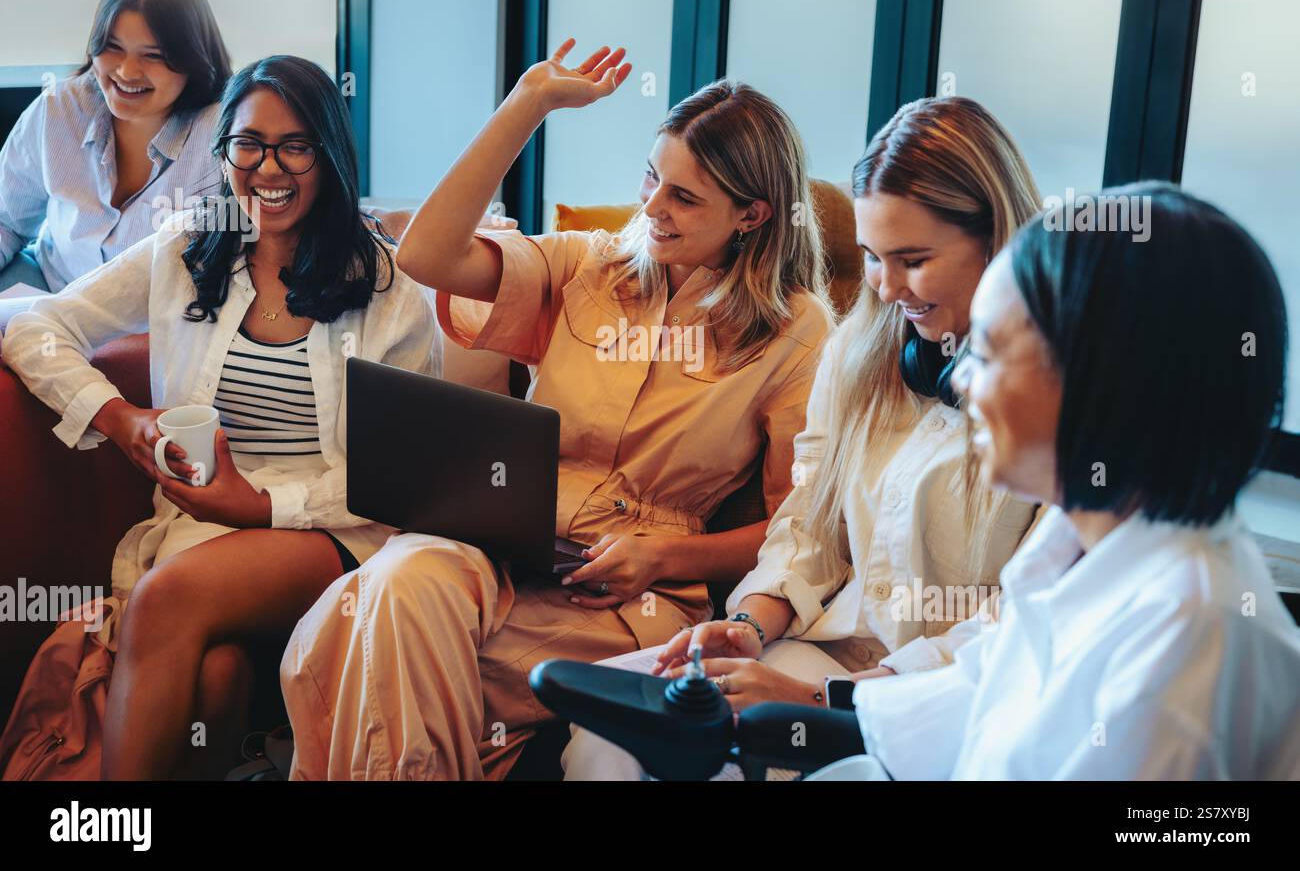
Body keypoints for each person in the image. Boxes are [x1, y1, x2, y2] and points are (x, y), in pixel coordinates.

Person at [280, 39, 835, 779]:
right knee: (397, 582)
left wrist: (666, 553)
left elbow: (800, 528)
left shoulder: (797, 333)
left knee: (371, 638)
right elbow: (425, 256)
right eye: (650, 177)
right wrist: (528, 103)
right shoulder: (592, 265)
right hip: (498, 544)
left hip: (629, 590)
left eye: (684, 197)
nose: (652, 207)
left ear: (753, 214)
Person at [563, 96, 1044, 779]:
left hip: (934, 700)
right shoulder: (860, 349)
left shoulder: (1061, 400)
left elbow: (1018, 626)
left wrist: (822, 700)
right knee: (610, 735)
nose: (886, 285)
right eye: (874, 257)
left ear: (998, 238)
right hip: (818, 652)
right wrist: (752, 624)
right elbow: (807, 526)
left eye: (913, 258)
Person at [0, 56, 438, 779]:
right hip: (200, 528)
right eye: (248, 144)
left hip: (337, 530)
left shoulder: (385, 291)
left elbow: (398, 476)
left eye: (295, 145)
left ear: (329, 155)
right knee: (219, 675)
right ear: (224, 153)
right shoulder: (187, 247)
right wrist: (123, 420)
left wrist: (262, 502)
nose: (269, 167)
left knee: (167, 594)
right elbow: (37, 327)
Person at [826, 182, 1300, 780]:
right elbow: (978, 699)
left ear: (1107, 382)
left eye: (990, 354)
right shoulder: (1087, 539)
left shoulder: (1185, 637)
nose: (961, 381)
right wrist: (789, 716)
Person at [0, 0, 229, 295]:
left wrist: (104, 344)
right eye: (113, 47)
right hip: (49, 297)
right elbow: (6, 220)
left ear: (193, 60)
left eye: (153, 56)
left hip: (155, 328)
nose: (126, 72)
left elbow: (228, 282)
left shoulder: (222, 138)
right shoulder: (61, 107)